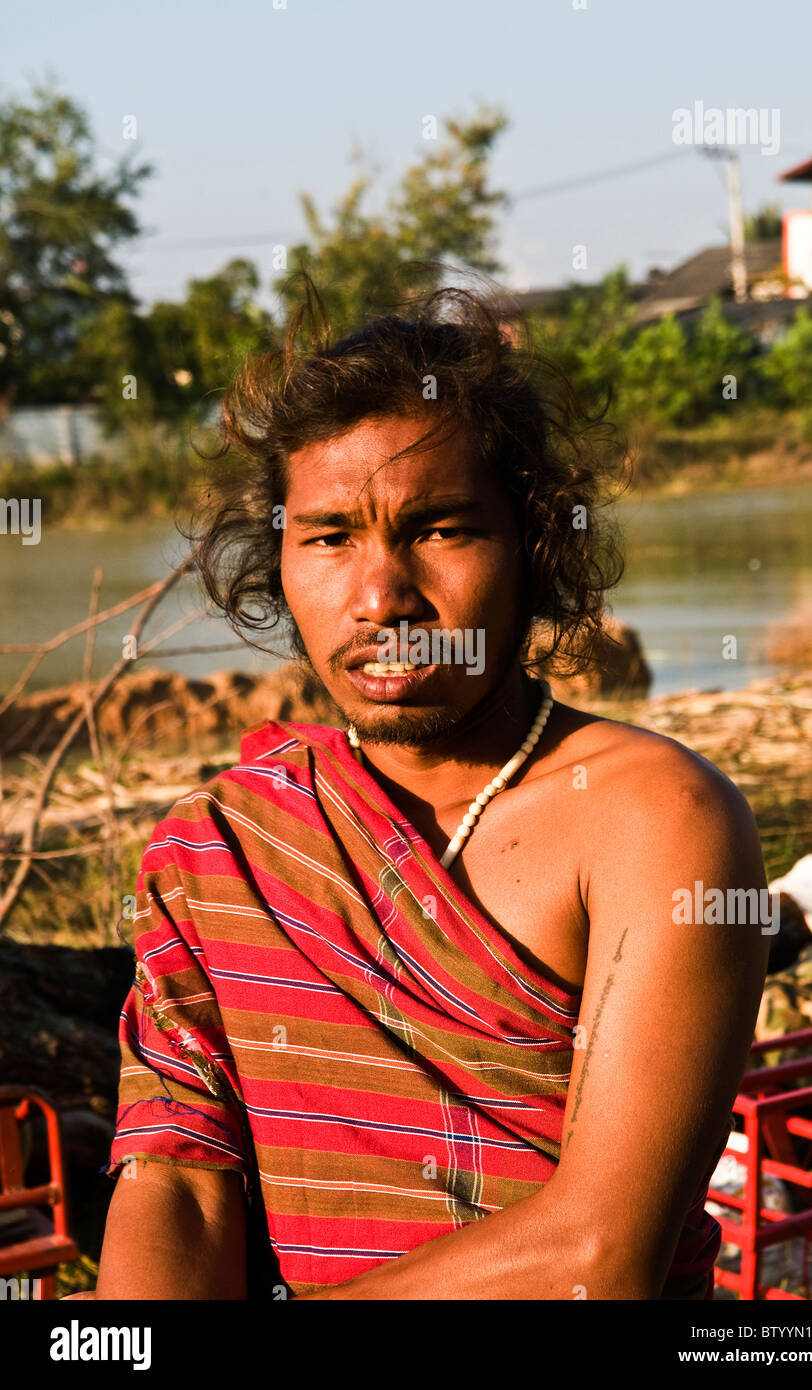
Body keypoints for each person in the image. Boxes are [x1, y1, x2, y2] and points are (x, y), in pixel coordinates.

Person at [92, 287, 769, 1300]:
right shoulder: (219, 848)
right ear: (277, 563)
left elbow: (595, 1255)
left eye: (439, 529)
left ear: (535, 552)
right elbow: (179, 1186)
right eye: (327, 538)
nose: (380, 598)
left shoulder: (657, 822)